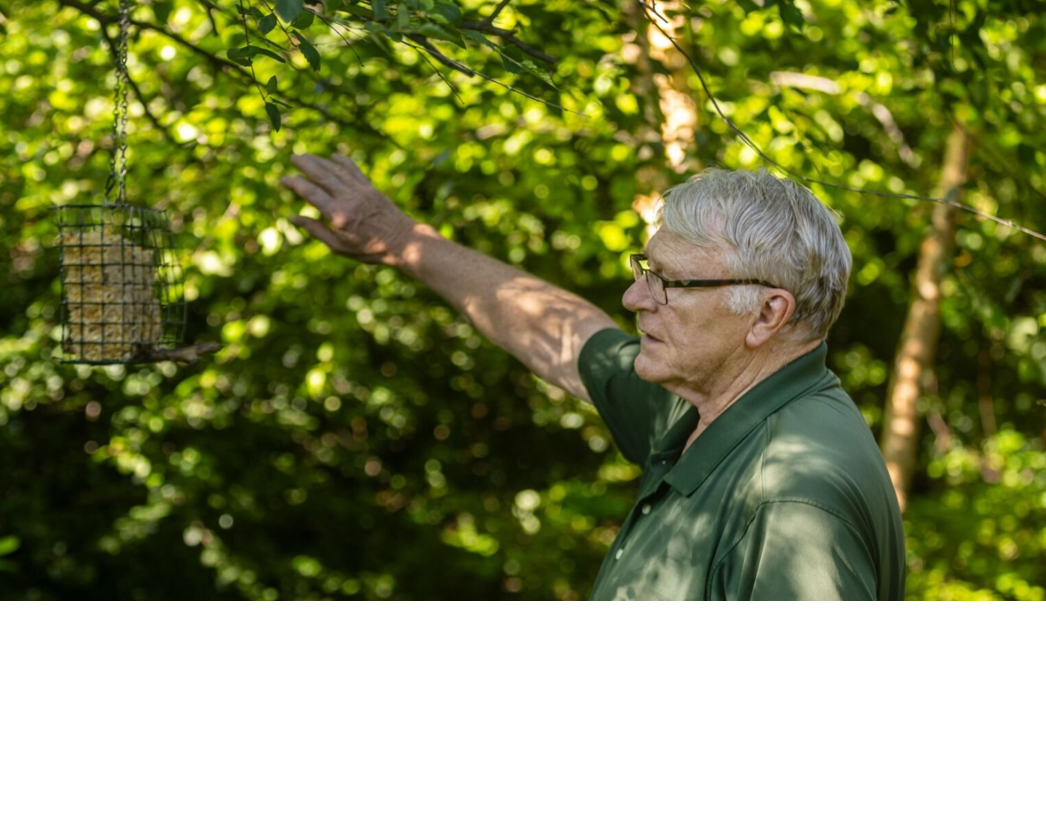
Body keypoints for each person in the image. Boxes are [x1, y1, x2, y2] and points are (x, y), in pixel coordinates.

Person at [281, 154, 905, 600]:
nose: (635, 298)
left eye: (670, 283)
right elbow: (566, 335)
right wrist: (397, 239)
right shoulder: (706, 405)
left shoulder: (792, 497)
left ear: (768, 314)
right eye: (645, 271)